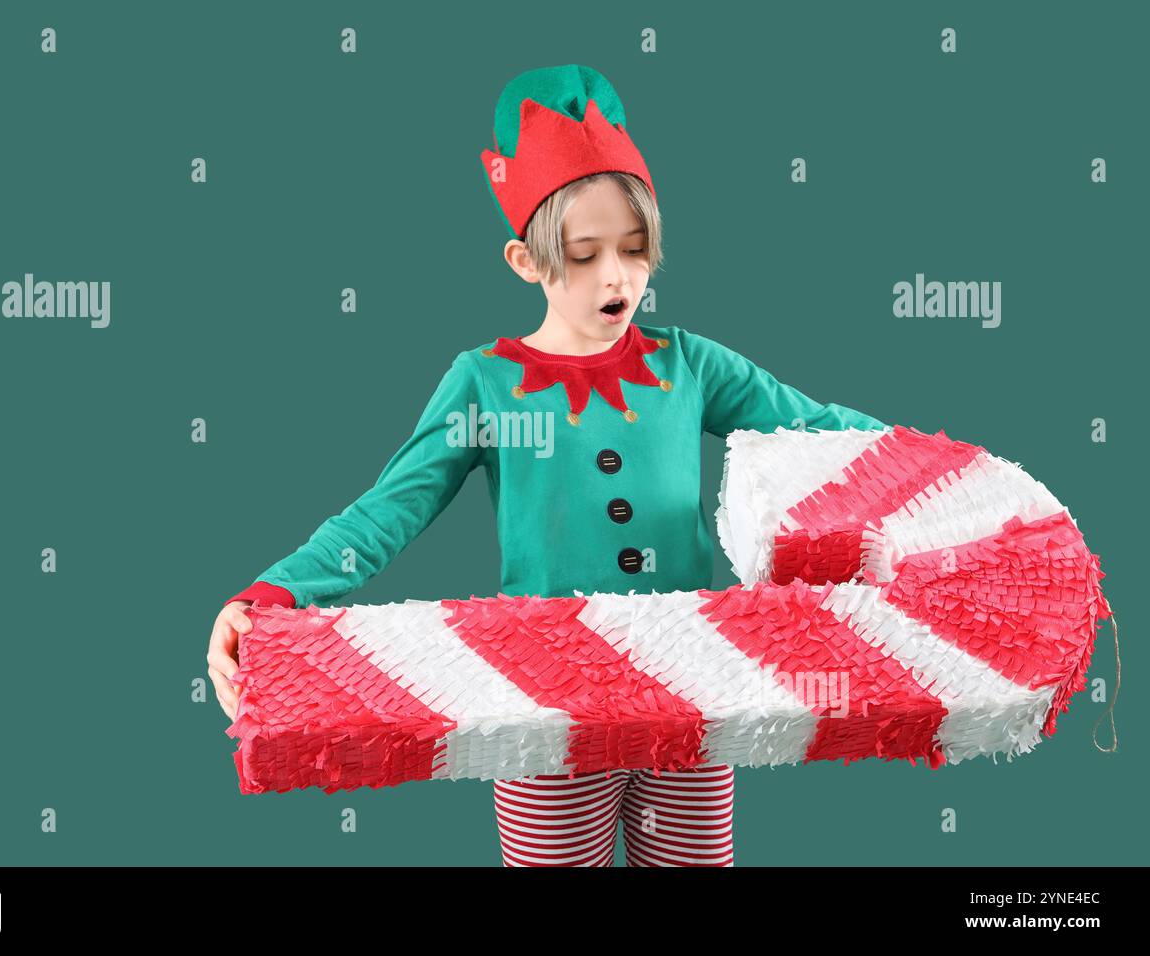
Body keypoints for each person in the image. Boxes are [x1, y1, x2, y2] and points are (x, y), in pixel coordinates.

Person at [206, 64, 887, 866]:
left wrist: (957, 477)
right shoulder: (484, 382)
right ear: (525, 260)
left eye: (636, 251)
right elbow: (391, 508)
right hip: (541, 700)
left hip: (697, 688)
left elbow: (826, 431)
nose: (616, 277)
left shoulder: (691, 364)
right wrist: (275, 591)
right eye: (585, 251)